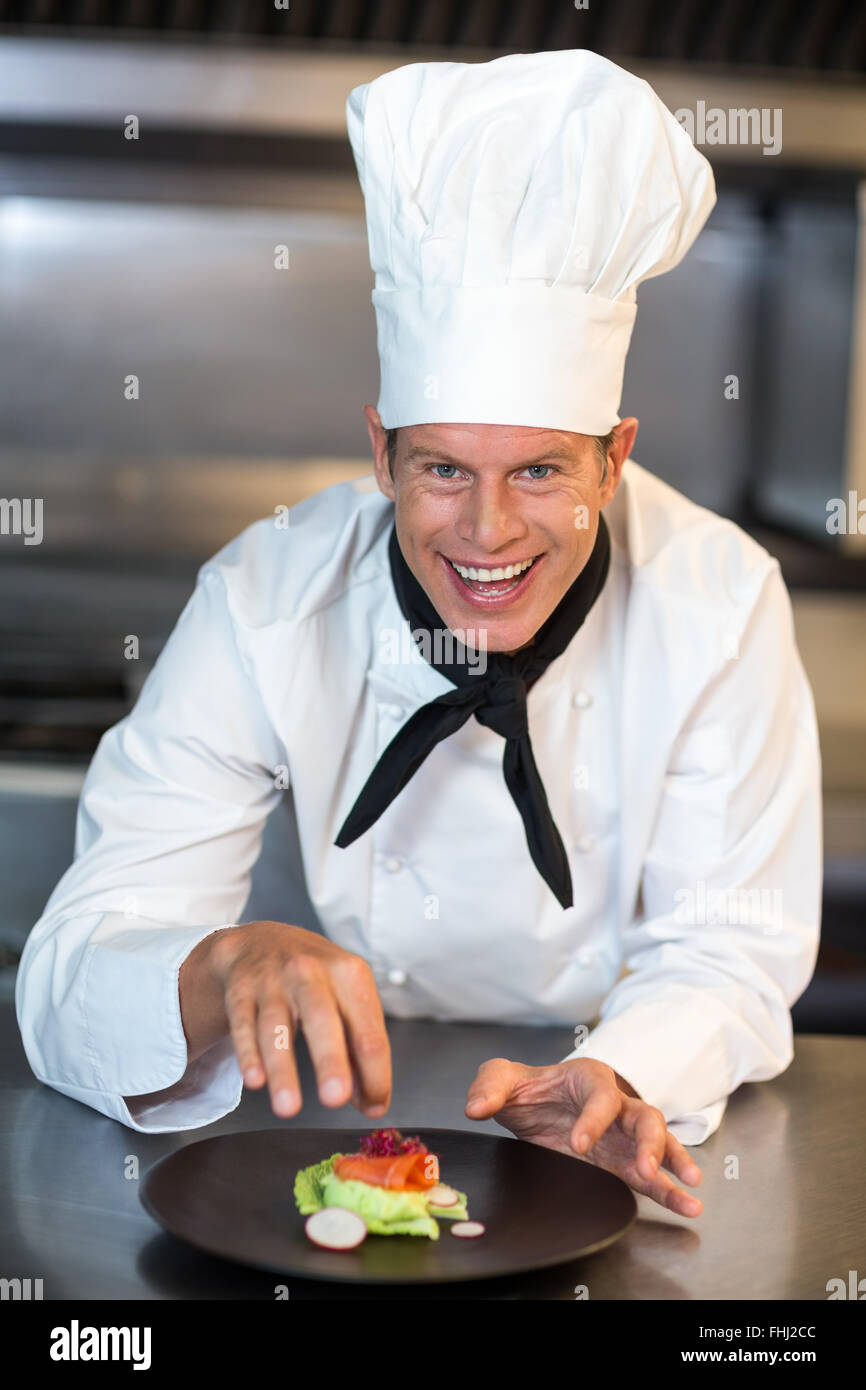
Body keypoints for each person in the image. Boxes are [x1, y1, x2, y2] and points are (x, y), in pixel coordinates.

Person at [16, 50, 821, 1222]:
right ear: (379, 450)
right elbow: (71, 968)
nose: (487, 530)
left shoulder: (716, 598)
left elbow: (728, 948)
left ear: (616, 455)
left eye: (540, 469)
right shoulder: (265, 597)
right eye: (442, 467)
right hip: (292, 1130)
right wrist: (216, 968)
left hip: (581, 1142)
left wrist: (616, 1072)